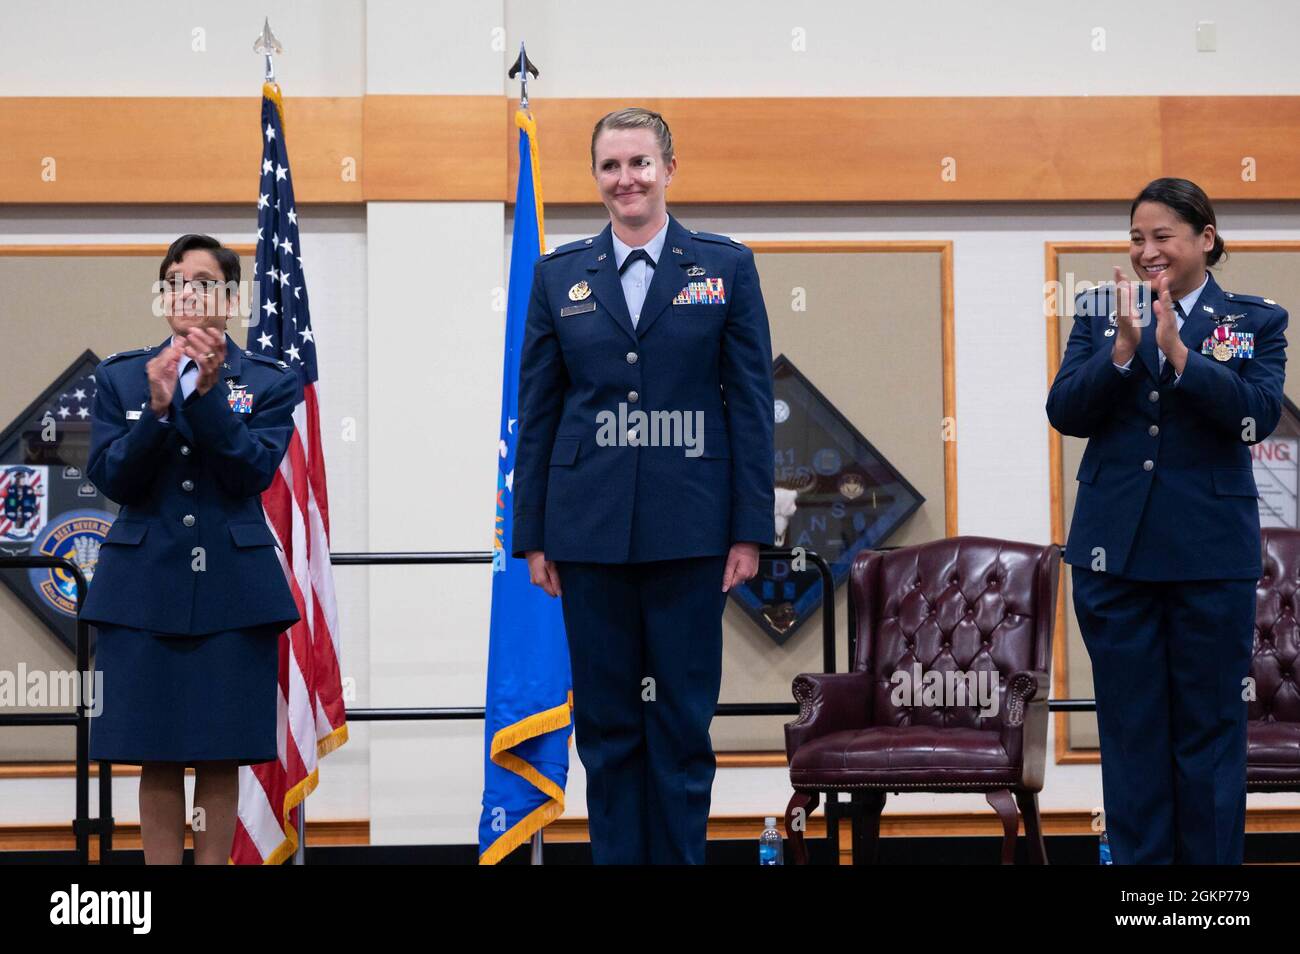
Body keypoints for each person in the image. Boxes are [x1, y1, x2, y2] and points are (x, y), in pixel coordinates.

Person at [512, 107, 775, 864]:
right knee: (608, 728)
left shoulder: (725, 267)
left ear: (668, 169)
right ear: (596, 177)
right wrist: (531, 536)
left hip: (692, 534)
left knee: (681, 726)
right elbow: (539, 413)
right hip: (586, 535)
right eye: (610, 166)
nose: (625, 178)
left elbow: (751, 408)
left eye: (639, 163)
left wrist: (749, 530)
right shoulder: (557, 276)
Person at [1047, 178, 1287, 864]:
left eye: (1162, 237)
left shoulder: (1254, 320)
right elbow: (1066, 412)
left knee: (1209, 735)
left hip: (1209, 559)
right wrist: (1122, 352)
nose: (1146, 251)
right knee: (1131, 733)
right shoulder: (1100, 312)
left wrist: (1179, 355)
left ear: (1205, 239)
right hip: (1112, 561)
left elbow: (1256, 416)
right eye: (1136, 238)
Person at [81, 234, 302, 864]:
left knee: (217, 751)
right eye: (174, 279)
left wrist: (204, 398)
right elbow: (113, 478)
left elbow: (250, 472)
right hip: (142, 590)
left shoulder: (266, 380)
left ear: (230, 298)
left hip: (232, 593)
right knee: (155, 753)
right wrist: (155, 411)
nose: (185, 289)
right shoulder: (121, 376)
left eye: (202, 280)